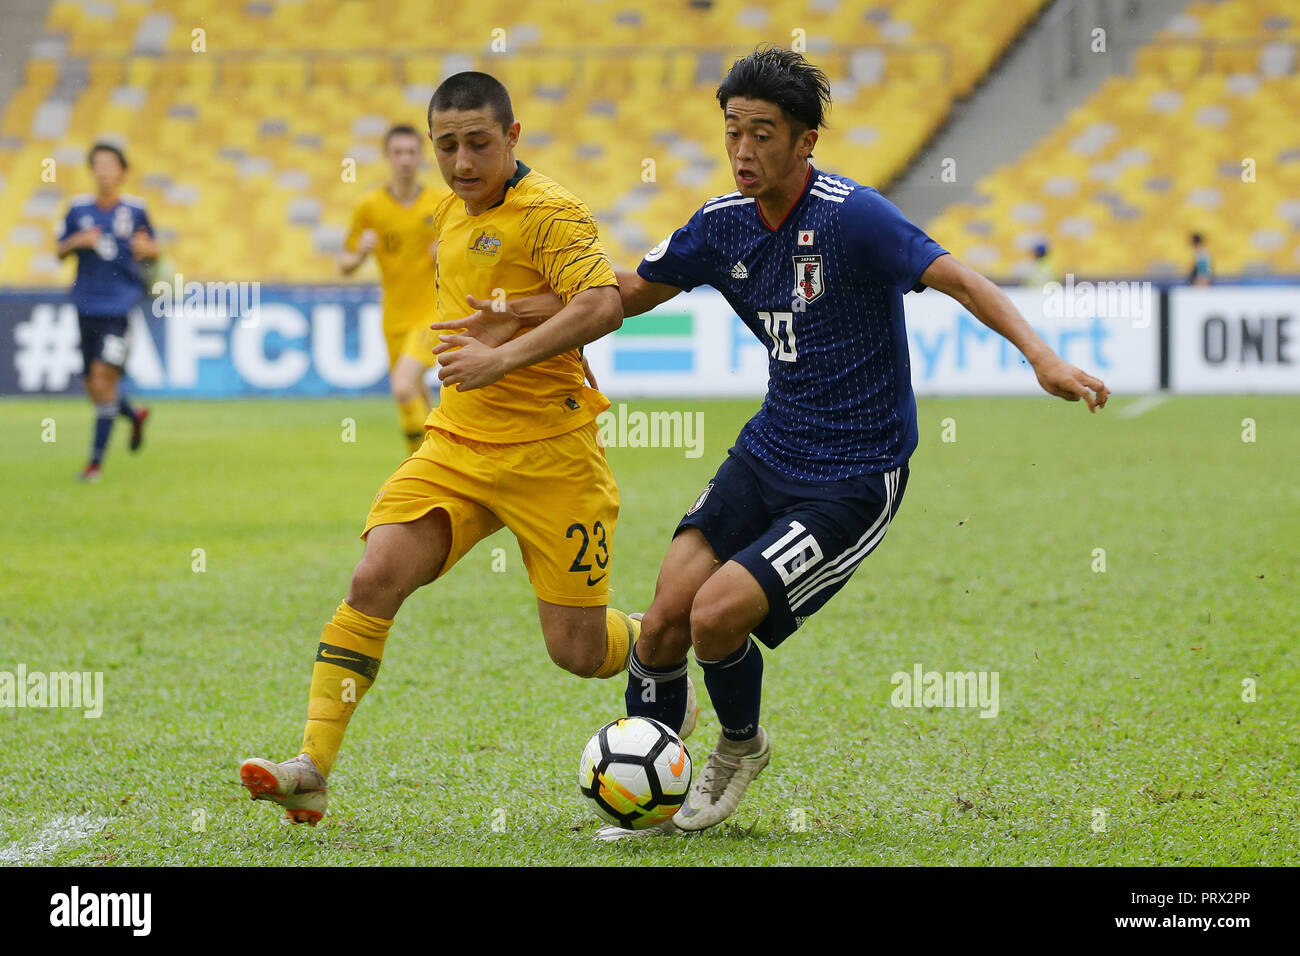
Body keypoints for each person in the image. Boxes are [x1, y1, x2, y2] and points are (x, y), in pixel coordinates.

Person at [436, 47, 1111, 838]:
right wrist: (521, 310)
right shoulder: (721, 226)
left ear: (805, 140)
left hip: (854, 474)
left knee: (717, 617)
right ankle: (651, 797)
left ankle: (739, 747)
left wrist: (1043, 356)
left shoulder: (853, 217)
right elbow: (624, 293)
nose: (745, 152)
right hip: (769, 450)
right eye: (733, 133)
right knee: (659, 627)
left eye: (763, 133)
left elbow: (960, 278)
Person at [239, 72, 695, 826]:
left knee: (577, 651)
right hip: (458, 442)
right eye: (446, 145)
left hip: (554, 454)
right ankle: (311, 767)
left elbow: (604, 303)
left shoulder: (551, 210)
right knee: (374, 575)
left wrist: (503, 354)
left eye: (478, 143)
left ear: (513, 138)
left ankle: (666, 642)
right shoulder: (449, 212)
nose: (461, 162)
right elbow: (540, 295)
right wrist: (506, 316)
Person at [338, 124, 449, 453]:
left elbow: (467, 254)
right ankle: (434, 465)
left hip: (433, 313)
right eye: (398, 152)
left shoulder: (440, 204)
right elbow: (344, 264)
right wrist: (360, 252)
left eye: (412, 152)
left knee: (401, 386)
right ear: (388, 156)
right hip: (394, 318)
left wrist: (444, 253)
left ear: (421, 156)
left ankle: (420, 468)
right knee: (413, 398)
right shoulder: (370, 206)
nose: (405, 159)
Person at [55, 143, 155, 482]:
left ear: (122, 172)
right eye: (98, 165)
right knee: (94, 387)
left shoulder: (136, 211)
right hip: (85, 305)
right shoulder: (78, 210)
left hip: (119, 308)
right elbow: (59, 250)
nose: (103, 171)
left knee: (102, 378)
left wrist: (147, 250)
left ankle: (94, 464)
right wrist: (76, 242)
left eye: (109, 165)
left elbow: (153, 250)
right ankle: (134, 413)